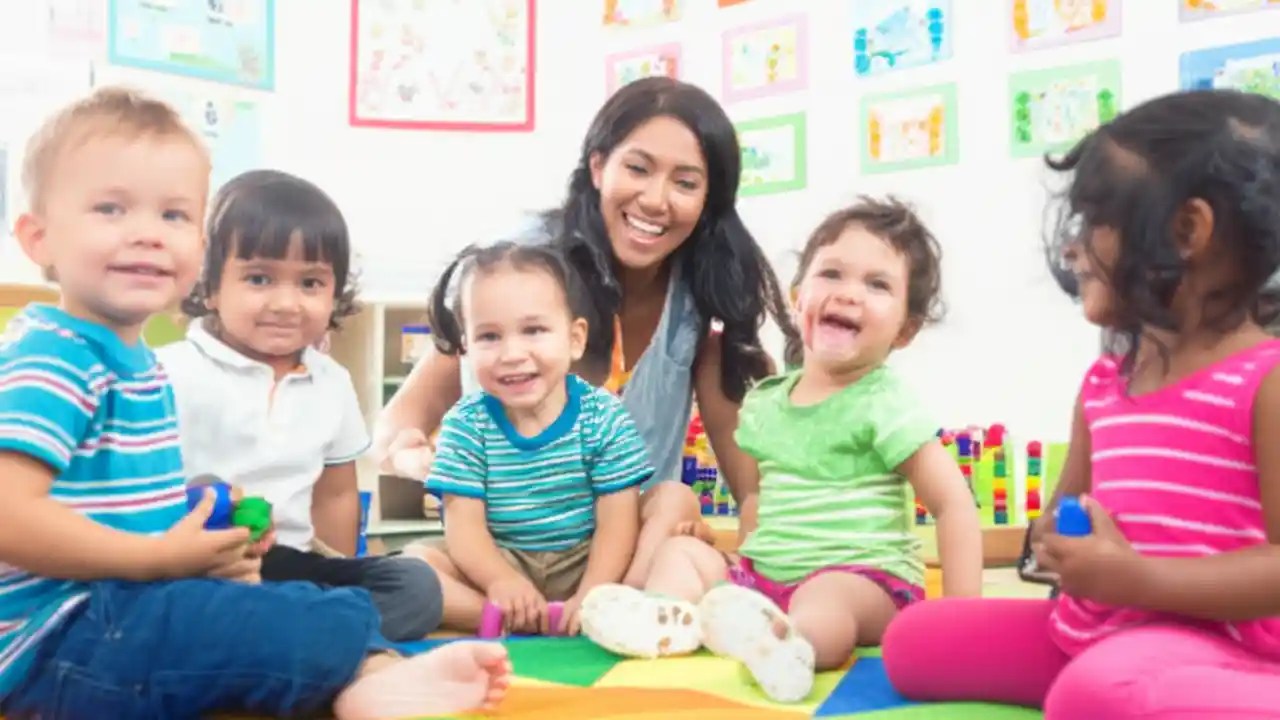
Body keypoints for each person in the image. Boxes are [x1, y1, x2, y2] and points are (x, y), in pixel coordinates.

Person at [0, 86, 509, 720]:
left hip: (123, 608)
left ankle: (367, 670)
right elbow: (9, 516)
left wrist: (211, 515)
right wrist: (160, 557)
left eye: (175, 216)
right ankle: (367, 676)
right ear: (38, 238)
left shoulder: (129, 363)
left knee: (313, 603)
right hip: (61, 638)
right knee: (264, 616)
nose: (149, 236)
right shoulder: (56, 356)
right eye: (111, 209)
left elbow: (113, 504)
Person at [882, 89, 1280, 719]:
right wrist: (1054, 536)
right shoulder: (1106, 381)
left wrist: (1138, 580)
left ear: (1187, 232)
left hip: (1222, 648)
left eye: (1096, 221)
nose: (1074, 247)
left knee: (1095, 695)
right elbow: (1066, 507)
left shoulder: (1266, 381)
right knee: (910, 644)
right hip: (1097, 630)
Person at [379, 77, 798, 586]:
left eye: (685, 183)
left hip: (618, 554)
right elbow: (402, 418)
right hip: (499, 552)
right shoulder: (521, 269)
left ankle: (615, 604)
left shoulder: (696, 297)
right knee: (408, 575)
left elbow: (753, 489)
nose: (655, 199)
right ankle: (518, 611)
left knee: (678, 507)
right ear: (599, 167)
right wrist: (413, 451)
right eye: (637, 169)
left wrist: (775, 561)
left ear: (709, 199)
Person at [579, 198, 984, 703]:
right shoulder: (768, 401)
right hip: (768, 580)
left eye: (877, 284)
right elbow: (761, 505)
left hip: (864, 580)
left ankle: (792, 645)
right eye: (832, 273)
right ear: (798, 298)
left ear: (904, 330)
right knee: (683, 552)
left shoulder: (883, 402)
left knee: (826, 597)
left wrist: (966, 619)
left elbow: (952, 502)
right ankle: (668, 617)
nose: (849, 294)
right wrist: (726, 551)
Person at [156, 169, 443, 642]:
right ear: (209, 285)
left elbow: (335, 494)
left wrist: (341, 566)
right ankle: (305, 634)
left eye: (310, 283)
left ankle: (289, 630)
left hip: (291, 564)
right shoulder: (170, 372)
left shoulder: (331, 382)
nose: (286, 302)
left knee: (415, 585)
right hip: (199, 561)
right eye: (260, 278)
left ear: (334, 294)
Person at [413, 242, 653, 636]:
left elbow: (616, 521)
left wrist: (594, 588)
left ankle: (599, 609)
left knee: (669, 521)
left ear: (574, 339)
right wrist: (500, 581)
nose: (512, 353)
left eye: (534, 331)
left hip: (585, 559)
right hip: (499, 561)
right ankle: (492, 618)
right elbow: (464, 528)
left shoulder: (603, 416)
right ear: (465, 348)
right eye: (489, 337)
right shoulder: (465, 425)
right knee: (413, 565)